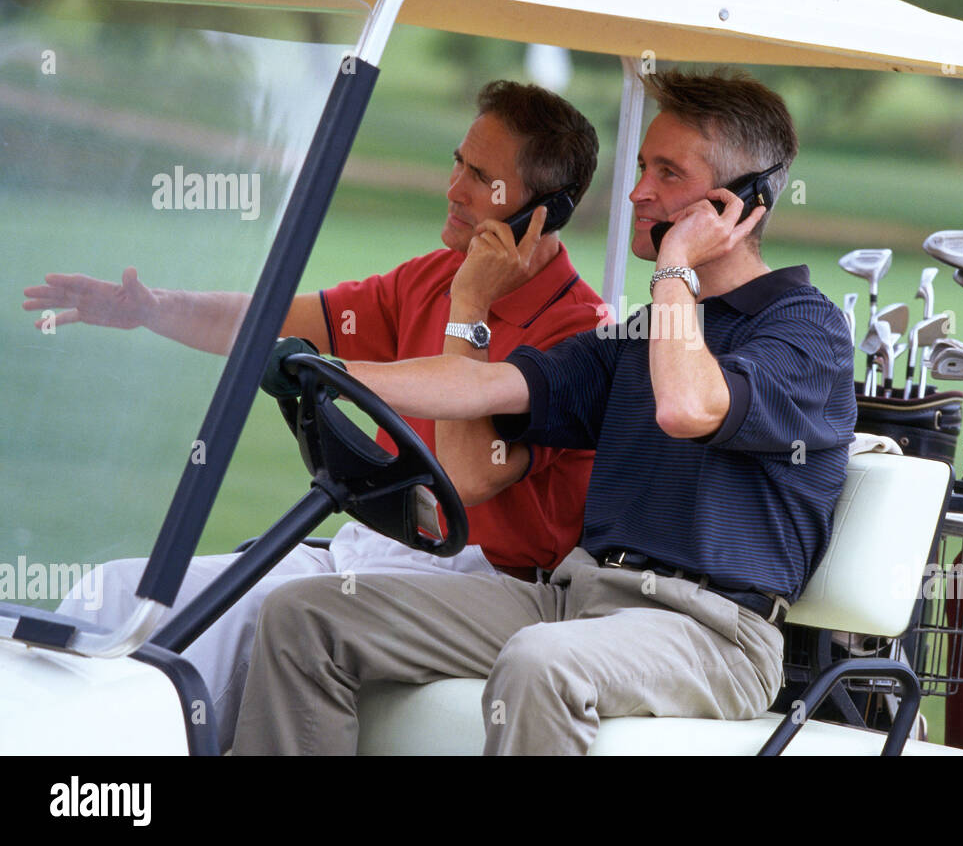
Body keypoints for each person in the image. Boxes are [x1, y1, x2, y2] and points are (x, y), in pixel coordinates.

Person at [231, 68, 857, 756]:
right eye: (643, 165)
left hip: (714, 634)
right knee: (303, 615)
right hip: (580, 600)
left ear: (741, 204)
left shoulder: (806, 330)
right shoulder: (640, 335)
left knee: (540, 662)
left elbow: (688, 405)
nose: (638, 190)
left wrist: (676, 265)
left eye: (667, 173)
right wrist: (326, 372)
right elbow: (481, 386)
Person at [23, 80, 605, 752]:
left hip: (479, 581)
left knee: (252, 616)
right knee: (114, 594)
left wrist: (470, 304)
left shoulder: (575, 337)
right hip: (375, 551)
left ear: (545, 211)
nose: (451, 187)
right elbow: (274, 319)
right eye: (457, 161)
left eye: (479, 177)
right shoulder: (429, 278)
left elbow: (465, 475)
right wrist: (151, 308)